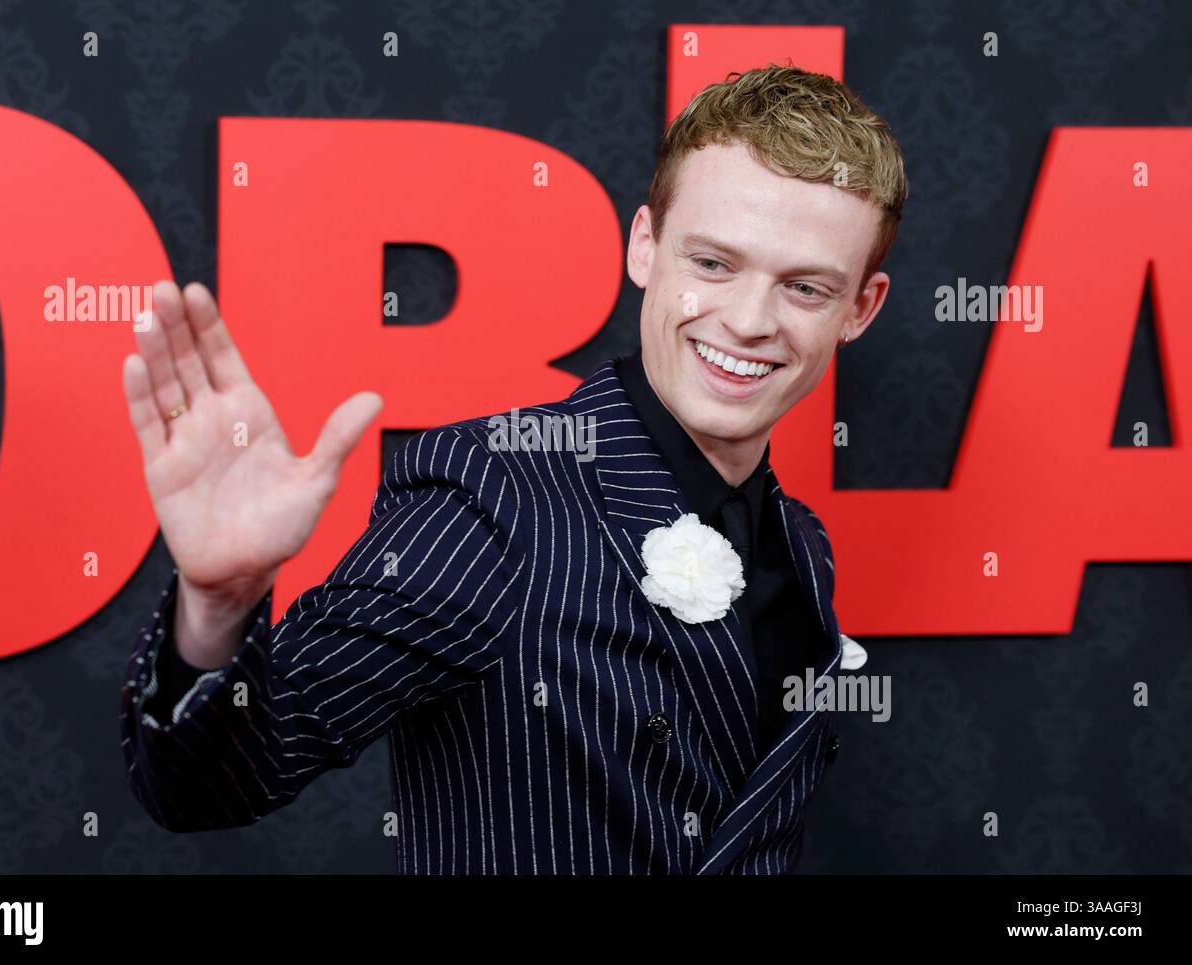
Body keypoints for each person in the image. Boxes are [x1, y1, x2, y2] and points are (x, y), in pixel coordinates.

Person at [119, 64, 907, 874]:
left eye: (805, 288)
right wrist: (217, 606)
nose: (748, 320)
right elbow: (208, 785)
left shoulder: (802, 545)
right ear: (645, 246)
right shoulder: (492, 493)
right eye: (713, 264)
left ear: (860, 308)